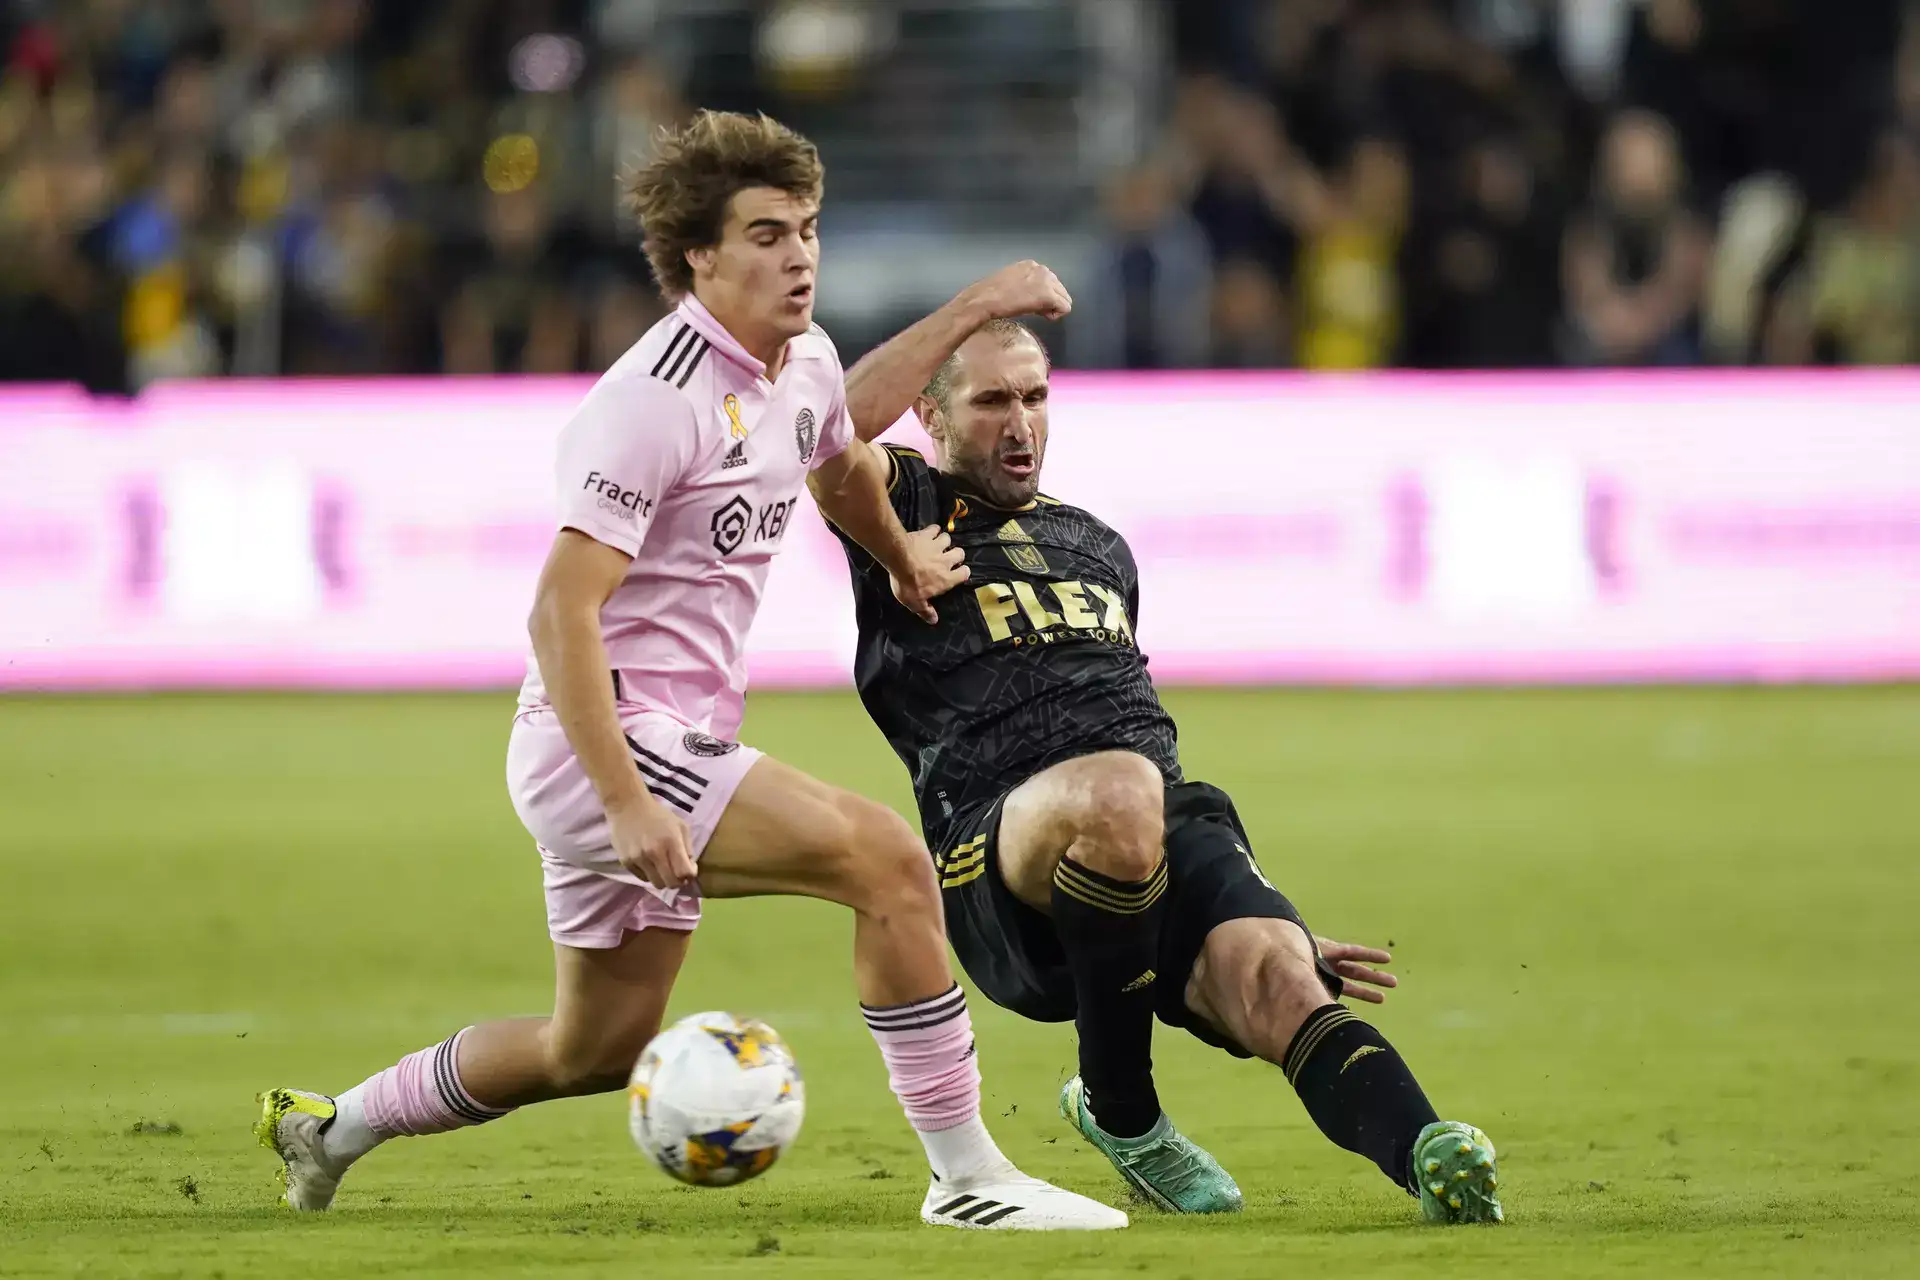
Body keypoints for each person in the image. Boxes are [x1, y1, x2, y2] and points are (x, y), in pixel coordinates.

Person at [253, 110, 1124, 1233]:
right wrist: (622, 799)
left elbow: (839, 452)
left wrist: (896, 549)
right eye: (766, 233)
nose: (799, 254)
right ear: (699, 255)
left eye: (807, 228)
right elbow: (558, 612)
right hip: (603, 741)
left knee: (593, 1048)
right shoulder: (648, 401)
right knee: (890, 862)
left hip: (660, 740)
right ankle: (969, 1177)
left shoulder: (800, 359)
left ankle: (333, 1129)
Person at [824, 315, 1503, 1223]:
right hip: (993, 847)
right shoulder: (902, 506)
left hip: (1160, 822)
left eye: (1035, 396)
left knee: (1278, 976)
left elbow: (1128, 719)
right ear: (931, 416)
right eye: (991, 400)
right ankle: (1125, 1112)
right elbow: (826, 444)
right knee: (1117, 793)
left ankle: (1430, 1158)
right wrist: (983, 298)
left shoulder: (1098, 545)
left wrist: (1239, 905)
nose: (1020, 422)